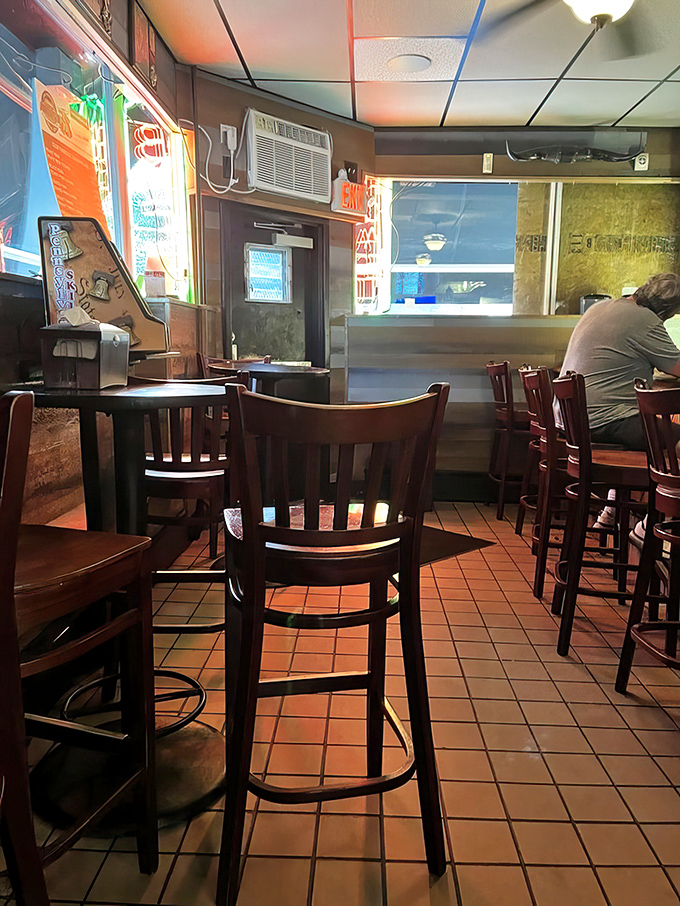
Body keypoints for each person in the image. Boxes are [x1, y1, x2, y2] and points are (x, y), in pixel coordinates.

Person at [557, 273, 680, 540]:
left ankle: (611, 512)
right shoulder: (645, 320)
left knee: (647, 436)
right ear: (665, 311)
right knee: (673, 445)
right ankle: (649, 527)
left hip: (571, 420)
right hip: (602, 421)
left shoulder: (601, 307)